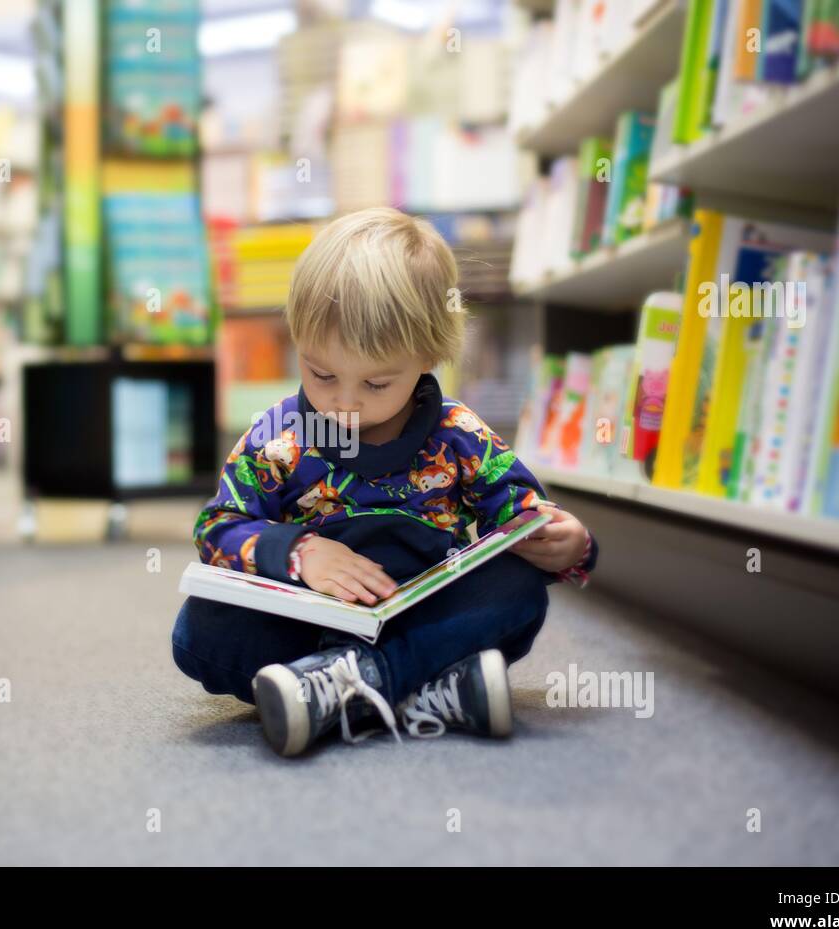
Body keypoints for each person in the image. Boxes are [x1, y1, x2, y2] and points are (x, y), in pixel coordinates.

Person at [173, 207, 597, 757]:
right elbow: (216, 528)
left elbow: (519, 520)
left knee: (514, 589)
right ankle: (423, 691)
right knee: (198, 629)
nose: (344, 401)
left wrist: (566, 543)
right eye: (321, 373)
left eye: (376, 382)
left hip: (422, 620)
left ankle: (339, 688)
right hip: (305, 621)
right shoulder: (278, 434)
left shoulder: (458, 433)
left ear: (428, 356)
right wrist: (299, 552)